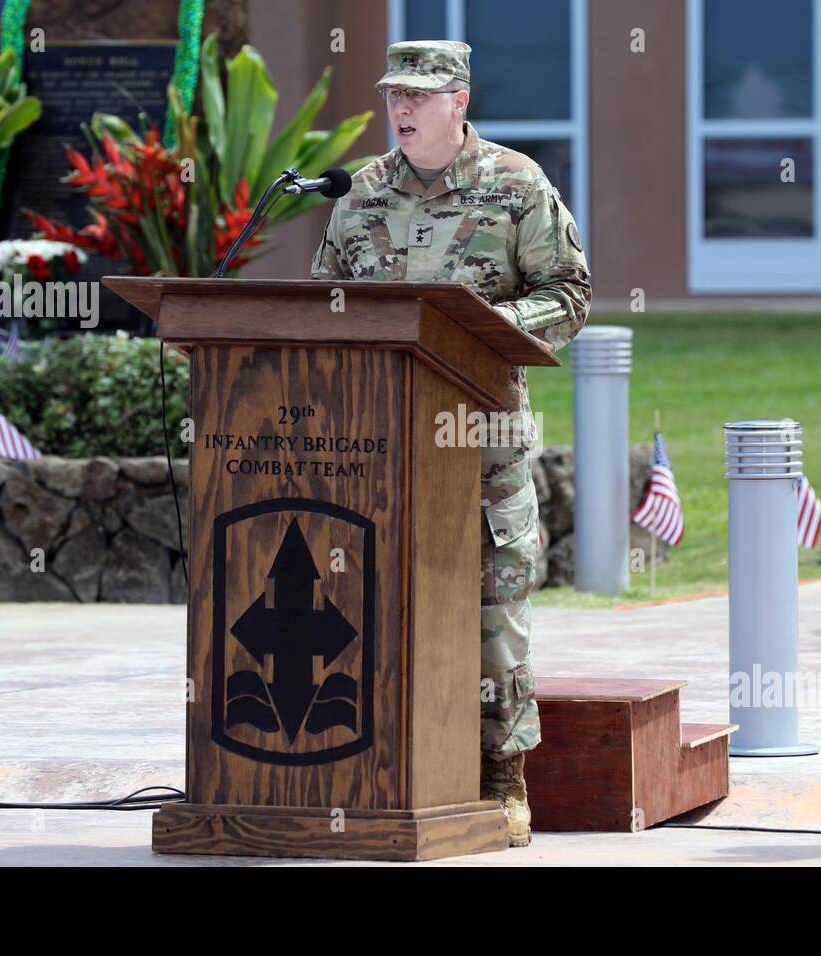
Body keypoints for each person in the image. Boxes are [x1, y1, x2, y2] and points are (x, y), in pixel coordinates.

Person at [309, 39, 591, 846]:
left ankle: (503, 775)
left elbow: (569, 293)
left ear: (459, 102)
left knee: (491, 605)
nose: (402, 109)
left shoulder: (515, 184)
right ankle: (368, 766)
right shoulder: (358, 194)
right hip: (378, 436)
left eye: (420, 96)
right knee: (363, 597)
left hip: (481, 433)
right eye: (394, 94)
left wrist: (484, 331)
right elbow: (325, 298)